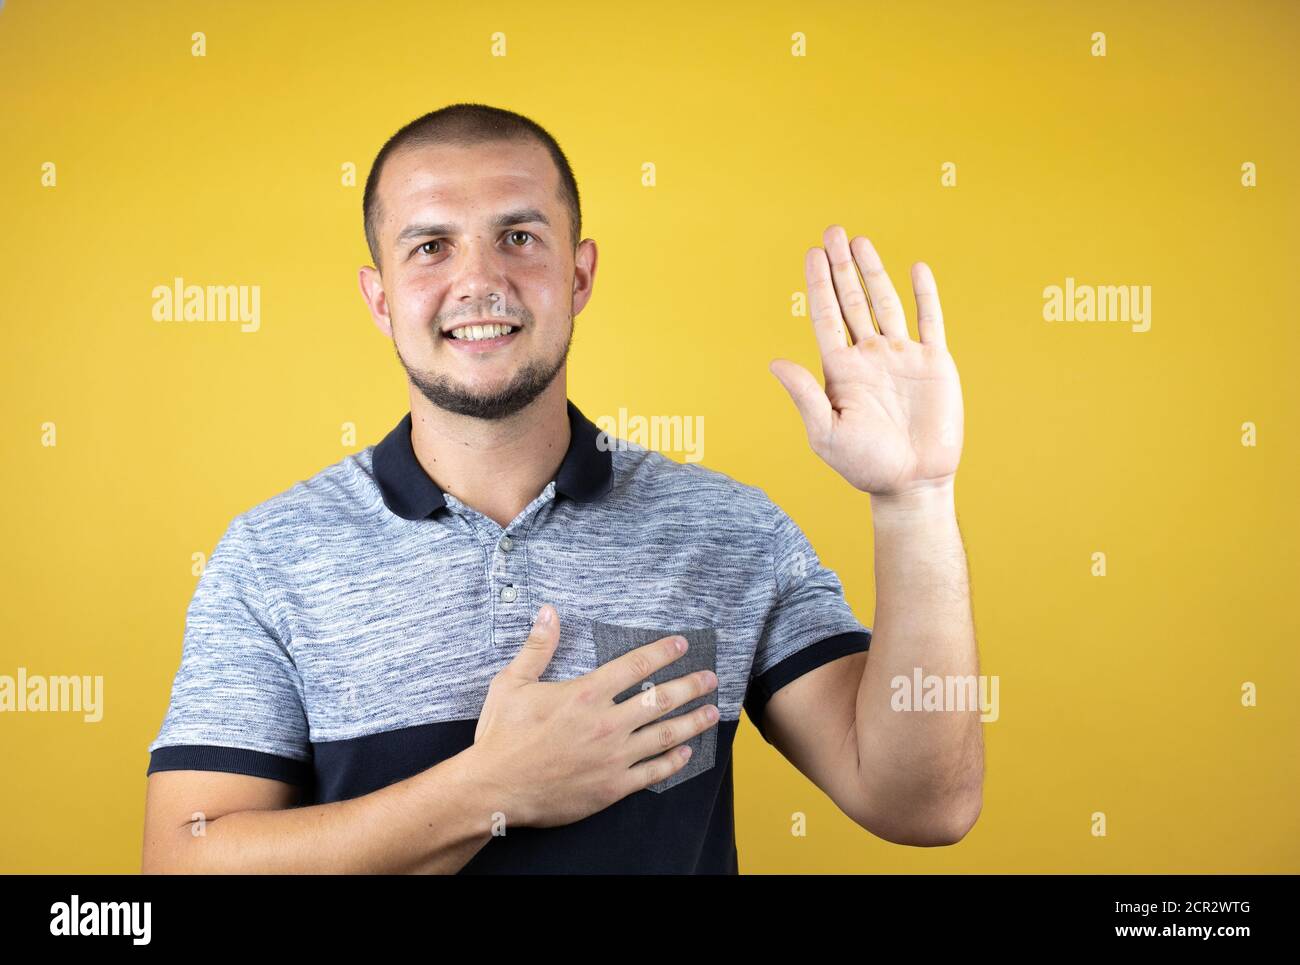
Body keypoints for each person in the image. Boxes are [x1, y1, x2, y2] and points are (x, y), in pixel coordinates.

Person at [141, 103, 983, 874]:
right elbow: (182, 862)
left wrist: (916, 500)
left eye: (519, 237)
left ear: (578, 275)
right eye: (431, 246)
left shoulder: (728, 530)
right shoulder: (272, 556)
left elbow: (923, 802)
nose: (479, 281)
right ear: (380, 296)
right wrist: (489, 790)